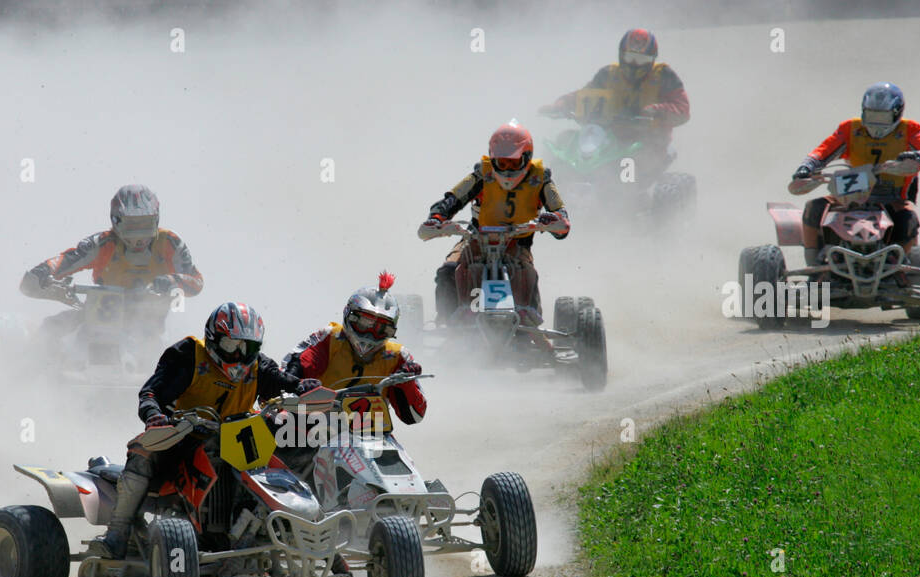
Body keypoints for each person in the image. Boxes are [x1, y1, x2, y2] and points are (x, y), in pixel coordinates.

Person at [101, 302, 320, 559]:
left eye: (247, 348)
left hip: (239, 440)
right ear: (214, 339)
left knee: (302, 444)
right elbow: (151, 393)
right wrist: (155, 417)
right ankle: (117, 531)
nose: (239, 355)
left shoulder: (260, 366)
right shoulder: (188, 354)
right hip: (183, 437)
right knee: (143, 450)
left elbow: (285, 382)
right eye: (232, 346)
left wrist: (304, 386)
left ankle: (304, 529)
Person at [18, 184, 204, 357]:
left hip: (149, 325)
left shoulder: (170, 242)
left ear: (156, 220)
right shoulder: (102, 243)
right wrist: (42, 272)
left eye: (144, 224)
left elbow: (196, 281)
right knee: (50, 329)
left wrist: (172, 281)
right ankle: (21, 376)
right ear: (116, 221)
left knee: (167, 357)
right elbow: (66, 259)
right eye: (132, 225)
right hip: (98, 315)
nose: (139, 236)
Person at [420, 122, 570, 324]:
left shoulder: (540, 179)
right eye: (502, 163)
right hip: (475, 238)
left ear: (526, 158)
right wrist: (437, 219)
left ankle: (528, 321)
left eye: (513, 163)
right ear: (492, 157)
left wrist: (554, 220)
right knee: (449, 270)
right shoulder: (482, 174)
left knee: (525, 271)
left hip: (517, 242)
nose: (507, 170)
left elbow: (560, 214)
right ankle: (450, 322)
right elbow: (451, 200)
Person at [791, 82, 920, 268]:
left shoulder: (910, 130)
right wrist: (807, 167)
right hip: (852, 194)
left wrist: (918, 156)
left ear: (896, 113)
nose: (877, 124)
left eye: (882, 117)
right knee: (813, 207)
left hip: (893, 198)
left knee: (908, 220)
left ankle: (901, 266)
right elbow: (822, 152)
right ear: (863, 112)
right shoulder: (850, 129)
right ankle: (814, 266)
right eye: (872, 116)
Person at [539, 28, 689, 176]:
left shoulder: (664, 76)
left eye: (642, 59)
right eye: (630, 57)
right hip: (610, 136)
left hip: (648, 140)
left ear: (652, 59)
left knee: (630, 165)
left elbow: (682, 109)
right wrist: (562, 104)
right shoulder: (608, 74)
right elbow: (585, 95)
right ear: (621, 55)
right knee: (566, 141)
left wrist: (657, 110)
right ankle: (556, 185)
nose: (635, 64)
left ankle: (627, 196)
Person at [283, 272, 426, 425]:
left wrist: (406, 383)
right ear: (349, 315)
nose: (371, 334)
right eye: (365, 323)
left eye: (381, 328)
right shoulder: (330, 337)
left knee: (397, 451)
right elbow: (293, 370)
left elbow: (414, 417)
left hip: (372, 433)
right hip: (317, 426)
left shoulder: (398, 356)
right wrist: (299, 386)